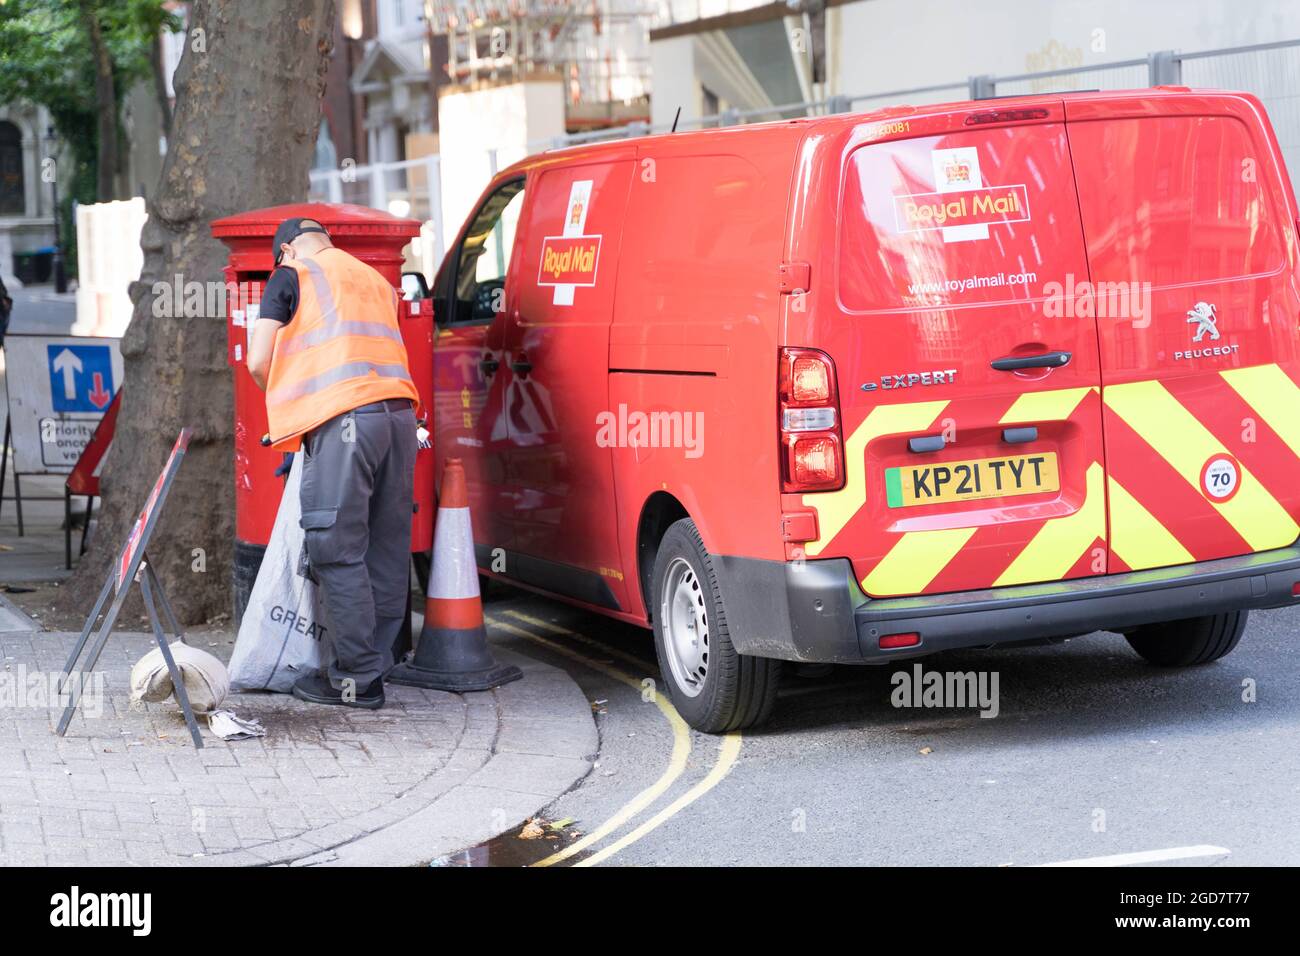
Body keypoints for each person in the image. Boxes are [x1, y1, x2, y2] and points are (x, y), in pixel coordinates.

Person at [247, 218, 418, 710]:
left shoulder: (292, 275)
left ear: (284, 250)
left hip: (346, 422)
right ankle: (377, 666)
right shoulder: (371, 278)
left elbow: (260, 361)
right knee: (384, 550)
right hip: (400, 417)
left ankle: (357, 679)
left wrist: (296, 416)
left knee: (336, 548)